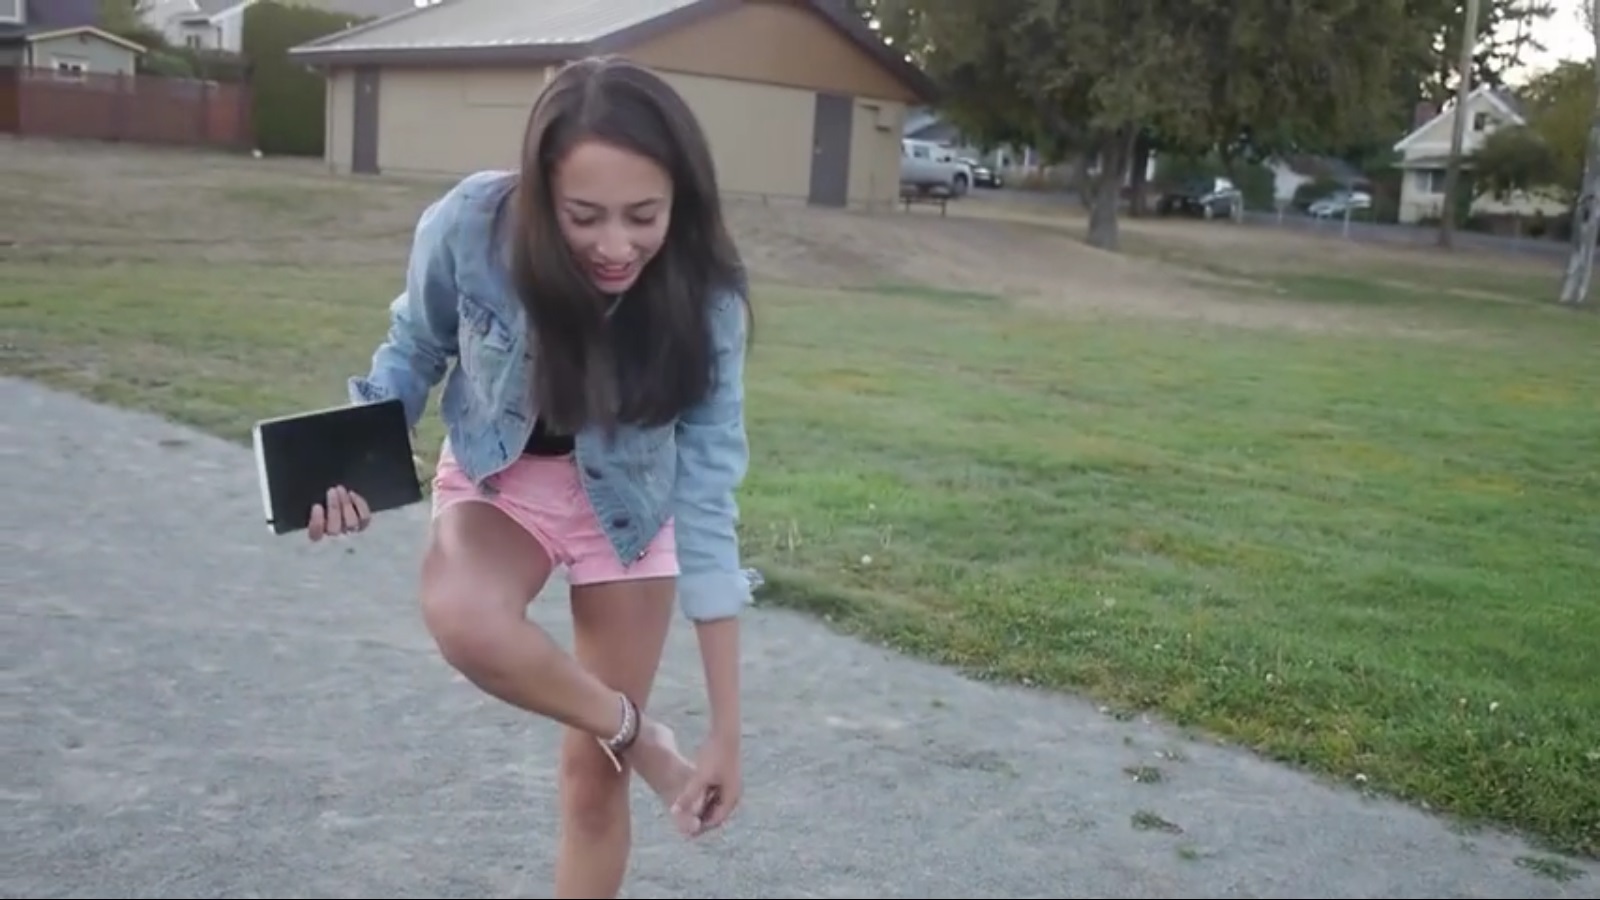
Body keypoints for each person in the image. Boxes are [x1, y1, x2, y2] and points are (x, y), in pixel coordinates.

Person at [304, 56, 752, 899]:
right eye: (584, 216)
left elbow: (706, 495)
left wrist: (727, 729)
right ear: (542, 190)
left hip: (632, 510)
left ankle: (620, 747)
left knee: (592, 782)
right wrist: (343, 465)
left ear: (679, 200)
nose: (616, 246)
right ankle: (638, 734)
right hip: (501, 481)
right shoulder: (472, 224)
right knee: (465, 618)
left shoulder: (707, 297)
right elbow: (415, 350)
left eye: (644, 216)